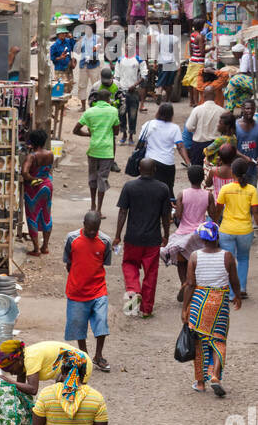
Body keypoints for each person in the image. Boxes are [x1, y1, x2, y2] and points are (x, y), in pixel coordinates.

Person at [182, 220, 240, 396]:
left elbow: (190, 284)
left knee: (199, 342)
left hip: (199, 303)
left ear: (201, 238)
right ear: (217, 237)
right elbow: (234, 280)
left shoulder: (194, 256)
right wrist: (237, 295)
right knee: (219, 339)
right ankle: (215, 375)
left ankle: (200, 383)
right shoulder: (227, 256)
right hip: (220, 302)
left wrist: (185, 308)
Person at [112, 158, 171, 318]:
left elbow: (123, 212)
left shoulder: (129, 187)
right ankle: (146, 309)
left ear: (139, 169)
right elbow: (165, 216)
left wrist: (117, 236)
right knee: (151, 273)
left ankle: (133, 292)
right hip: (153, 239)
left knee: (129, 265)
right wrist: (166, 235)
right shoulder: (163, 189)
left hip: (132, 238)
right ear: (155, 170)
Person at [63, 210, 112, 371]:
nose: (92, 232)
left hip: (98, 289)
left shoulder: (105, 241)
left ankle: (98, 355)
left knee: (101, 322)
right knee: (78, 325)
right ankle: (83, 355)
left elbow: (103, 262)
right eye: (90, 229)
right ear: (83, 225)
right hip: (76, 291)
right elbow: (68, 262)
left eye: (95, 229)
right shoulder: (72, 239)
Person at [160, 163, 213, 300]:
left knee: (181, 262)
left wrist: (176, 207)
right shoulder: (208, 195)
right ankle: (195, 286)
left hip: (183, 233)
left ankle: (184, 283)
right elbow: (212, 214)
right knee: (197, 263)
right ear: (202, 179)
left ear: (189, 178)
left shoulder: (182, 194)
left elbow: (178, 216)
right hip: (200, 235)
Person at [213, 154, 258, 298]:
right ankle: (242, 288)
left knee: (229, 261)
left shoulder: (225, 189)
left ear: (232, 172)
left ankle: (232, 293)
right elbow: (255, 212)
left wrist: (213, 223)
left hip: (227, 229)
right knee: (244, 259)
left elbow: (218, 209)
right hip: (245, 230)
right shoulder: (252, 190)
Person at [74, 90, 121, 214]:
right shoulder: (113, 111)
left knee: (92, 178)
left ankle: (93, 206)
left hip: (94, 149)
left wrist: (89, 134)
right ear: (108, 99)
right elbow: (116, 132)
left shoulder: (89, 112)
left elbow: (76, 130)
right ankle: (99, 210)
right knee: (102, 179)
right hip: (107, 150)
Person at [138, 101, 190, 194]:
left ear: (158, 112)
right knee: (168, 189)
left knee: (150, 189)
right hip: (167, 163)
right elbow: (180, 147)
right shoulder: (174, 128)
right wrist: (188, 163)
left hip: (150, 162)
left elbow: (141, 143)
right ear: (171, 115)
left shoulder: (148, 124)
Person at [21, 128, 54, 256]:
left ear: (32, 142)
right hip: (47, 185)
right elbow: (49, 170)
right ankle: (45, 246)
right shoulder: (50, 154)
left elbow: (25, 172)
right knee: (46, 216)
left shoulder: (32, 156)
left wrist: (33, 179)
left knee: (32, 217)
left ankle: (36, 249)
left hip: (34, 189)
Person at [114, 43, 148, 143]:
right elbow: (116, 76)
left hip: (134, 92)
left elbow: (144, 75)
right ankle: (124, 134)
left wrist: (135, 85)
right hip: (122, 91)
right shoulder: (120, 60)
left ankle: (131, 136)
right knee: (121, 114)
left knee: (133, 115)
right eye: (127, 46)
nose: (128, 48)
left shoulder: (139, 60)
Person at [185, 86, 224, 165]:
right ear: (215, 96)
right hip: (216, 145)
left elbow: (189, 127)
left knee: (197, 172)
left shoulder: (197, 110)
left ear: (203, 95)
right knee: (214, 170)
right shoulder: (221, 111)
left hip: (199, 145)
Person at [75, 20, 102, 108]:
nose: (87, 30)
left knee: (96, 85)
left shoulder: (97, 38)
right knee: (82, 85)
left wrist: (91, 55)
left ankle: (96, 105)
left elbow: (97, 50)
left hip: (93, 64)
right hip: (83, 64)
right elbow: (78, 52)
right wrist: (78, 43)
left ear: (93, 29)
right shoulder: (82, 39)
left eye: (89, 28)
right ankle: (83, 106)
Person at [154, 23, 181, 101]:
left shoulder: (159, 38)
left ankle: (159, 92)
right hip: (171, 62)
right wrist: (178, 64)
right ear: (170, 28)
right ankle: (167, 99)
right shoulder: (174, 38)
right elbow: (176, 52)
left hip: (162, 62)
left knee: (161, 79)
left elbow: (156, 51)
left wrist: (155, 62)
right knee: (169, 83)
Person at [183, 19, 206, 105]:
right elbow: (202, 52)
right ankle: (196, 102)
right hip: (199, 62)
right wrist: (211, 48)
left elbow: (191, 49)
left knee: (191, 81)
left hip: (192, 60)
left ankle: (191, 101)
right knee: (196, 83)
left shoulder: (192, 35)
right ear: (201, 26)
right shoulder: (200, 37)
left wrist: (193, 56)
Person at [235, 99, 258, 184]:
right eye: (247, 108)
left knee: (251, 194)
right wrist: (245, 157)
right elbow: (231, 148)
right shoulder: (235, 125)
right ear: (242, 109)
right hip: (239, 170)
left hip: (253, 170)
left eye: (252, 109)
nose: (250, 111)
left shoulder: (257, 125)